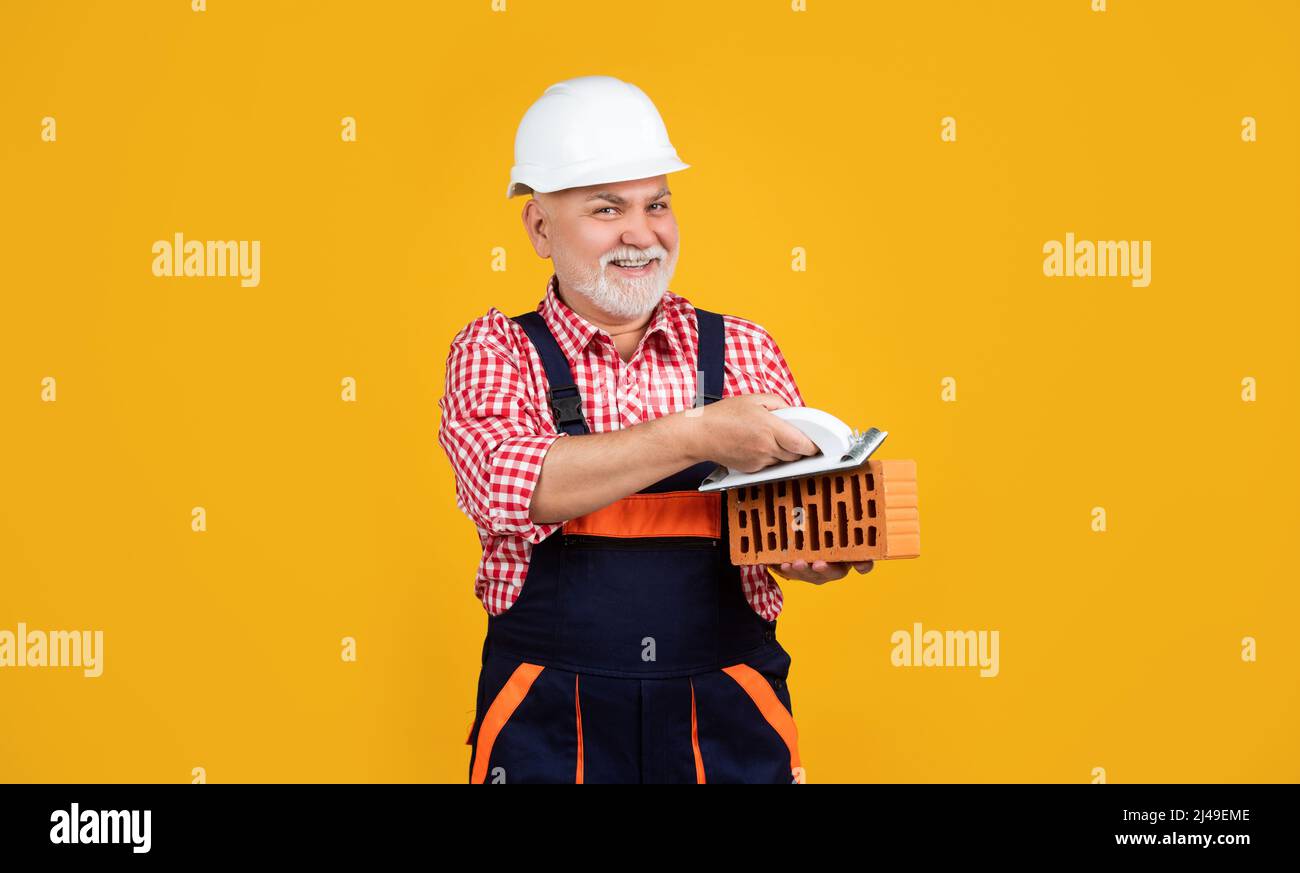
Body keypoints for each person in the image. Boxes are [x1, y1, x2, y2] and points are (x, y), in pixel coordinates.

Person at [438, 75, 873, 784]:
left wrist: (812, 548)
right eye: (607, 208)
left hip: (727, 715)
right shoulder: (497, 351)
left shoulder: (744, 350)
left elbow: (791, 523)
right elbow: (508, 485)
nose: (642, 233)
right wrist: (698, 434)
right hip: (551, 721)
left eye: (657, 205)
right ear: (541, 228)